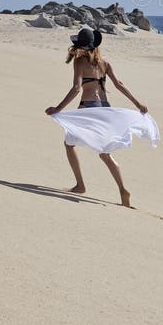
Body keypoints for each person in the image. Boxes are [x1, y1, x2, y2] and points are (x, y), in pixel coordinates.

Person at [45, 27, 148, 207]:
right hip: (105, 109)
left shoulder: (79, 62)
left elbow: (77, 88)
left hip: (88, 110)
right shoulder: (105, 63)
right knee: (104, 153)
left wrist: (58, 108)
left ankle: (80, 185)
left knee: (69, 144)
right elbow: (119, 85)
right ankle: (122, 189)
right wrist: (137, 104)